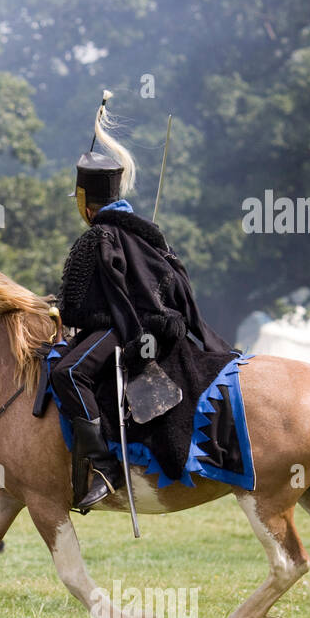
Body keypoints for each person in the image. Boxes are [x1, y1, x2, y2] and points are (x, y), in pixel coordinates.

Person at [48, 92, 230, 512]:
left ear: (85, 202)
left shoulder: (97, 237)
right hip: (157, 330)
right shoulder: (147, 233)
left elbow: (77, 309)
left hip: (124, 333)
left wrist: (59, 310)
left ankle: (105, 468)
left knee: (67, 373)